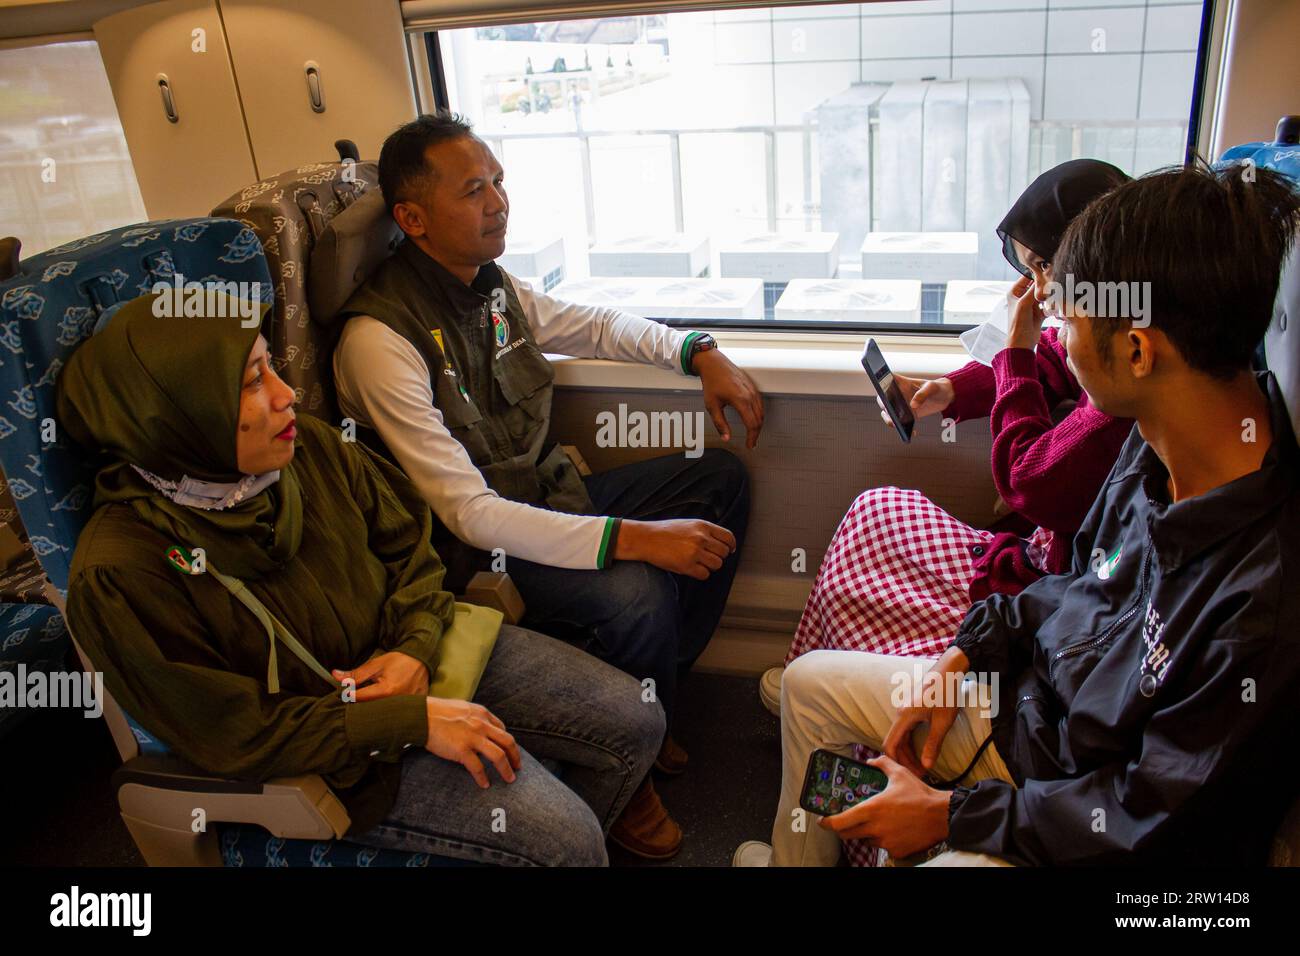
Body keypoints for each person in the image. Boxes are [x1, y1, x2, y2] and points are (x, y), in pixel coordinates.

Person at [735, 161, 1300, 867]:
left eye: (1067, 318)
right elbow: (1074, 587)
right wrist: (965, 652)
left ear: (1135, 351)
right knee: (809, 684)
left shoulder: (1257, 602)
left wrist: (952, 815)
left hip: (1075, 809)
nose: (1053, 330)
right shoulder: (1159, 448)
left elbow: (1148, 818)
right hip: (1034, 718)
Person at [57, 292, 664, 867]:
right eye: (251, 384)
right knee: (568, 840)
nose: (287, 395)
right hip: (334, 750)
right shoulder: (121, 574)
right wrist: (409, 720)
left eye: (271, 367)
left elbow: (411, 549)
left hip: (422, 652)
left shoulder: (311, 449)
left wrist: (413, 648)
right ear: (181, 417)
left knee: (640, 721)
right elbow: (233, 734)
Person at [332, 111, 760, 858]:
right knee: (639, 591)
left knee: (718, 480)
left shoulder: (491, 288)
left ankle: (654, 698)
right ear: (412, 218)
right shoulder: (380, 340)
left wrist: (699, 351)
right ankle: (626, 777)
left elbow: (593, 327)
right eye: (473, 190)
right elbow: (467, 514)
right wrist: (634, 540)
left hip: (550, 497)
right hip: (477, 547)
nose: (498, 202)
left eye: (498, 181)